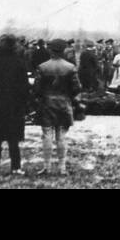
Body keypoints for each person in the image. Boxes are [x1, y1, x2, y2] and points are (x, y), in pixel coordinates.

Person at [0, 35, 29, 176]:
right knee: (13, 139)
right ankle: (16, 167)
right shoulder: (19, 63)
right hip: (14, 106)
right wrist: (22, 102)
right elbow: (25, 87)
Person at [34, 39, 81, 176]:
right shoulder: (70, 67)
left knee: (46, 135)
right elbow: (77, 88)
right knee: (61, 137)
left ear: (51, 50)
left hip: (47, 104)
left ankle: (47, 167)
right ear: (63, 50)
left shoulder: (42, 67)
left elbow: (37, 89)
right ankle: (62, 167)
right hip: (64, 104)